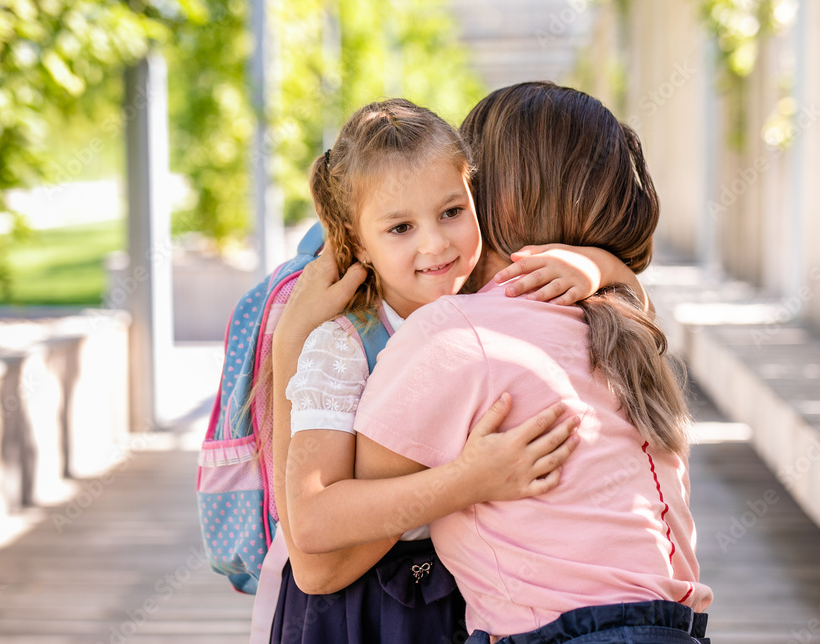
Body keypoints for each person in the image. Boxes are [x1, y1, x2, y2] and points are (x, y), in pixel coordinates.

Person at [338, 82, 714, 643]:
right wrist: (602, 263)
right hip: (675, 627)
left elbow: (327, 555)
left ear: (491, 196)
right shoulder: (624, 327)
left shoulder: (456, 333)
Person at [267, 98, 650, 643]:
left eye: (452, 212)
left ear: (475, 196)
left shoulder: (479, 296)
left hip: (456, 594)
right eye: (400, 228)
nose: (436, 244)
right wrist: (467, 481)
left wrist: (595, 266)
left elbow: (636, 312)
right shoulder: (346, 344)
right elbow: (312, 523)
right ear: (359, 245)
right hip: (363, 609)